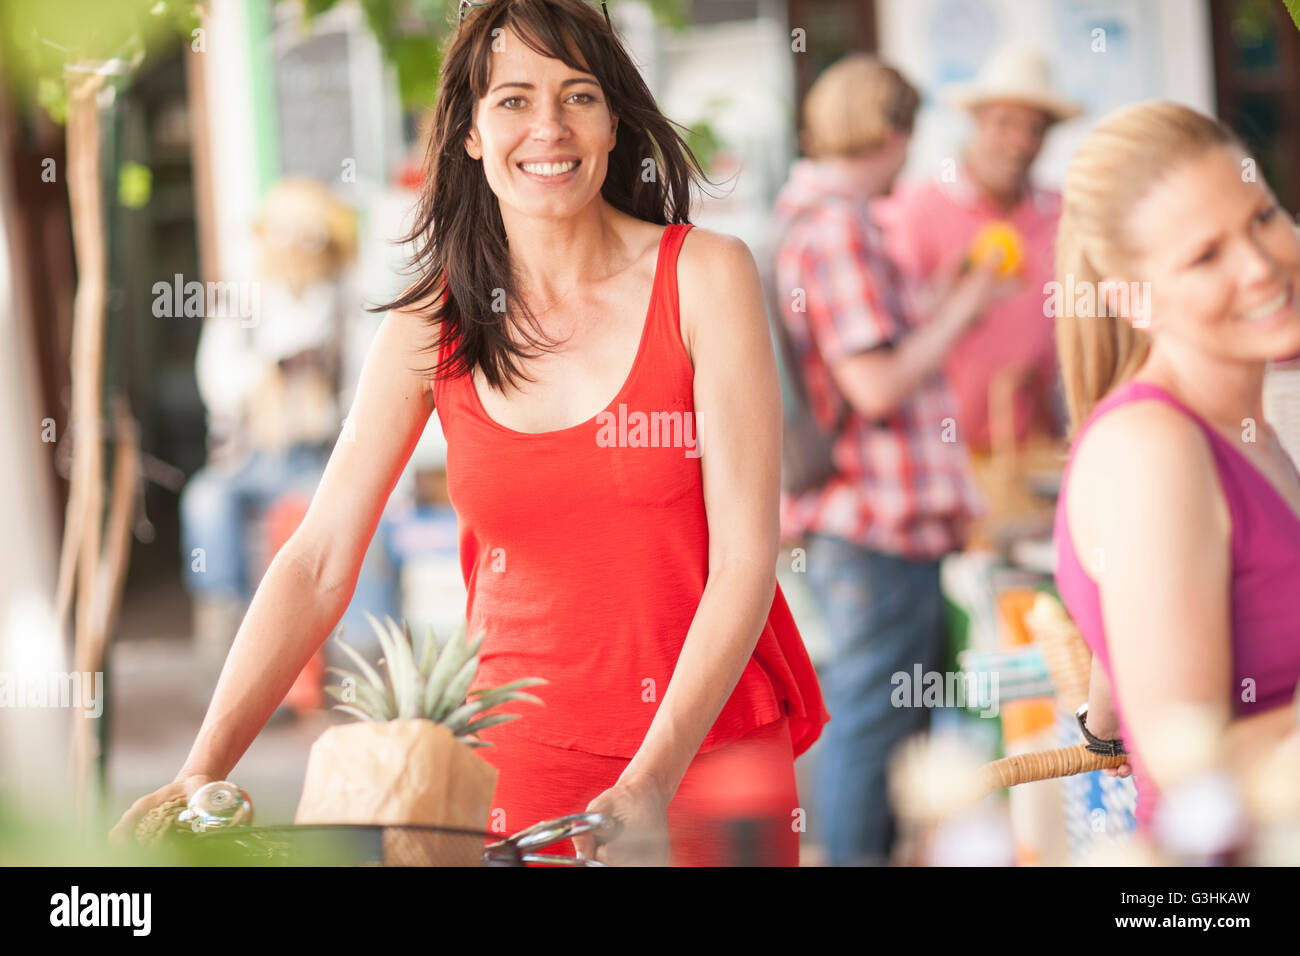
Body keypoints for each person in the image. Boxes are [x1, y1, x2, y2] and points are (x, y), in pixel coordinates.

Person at [112, 0, 828, 866]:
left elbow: (746, 562)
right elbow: (319, 558)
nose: (549, 128)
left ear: (612, 125)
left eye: (579, 97)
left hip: (705, 762)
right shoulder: (431, 326)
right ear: (471, 134)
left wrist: (650, 778)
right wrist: (201, 767)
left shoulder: (706, 277)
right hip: (514, 772)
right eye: (514, 100)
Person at [770, 54, 1011, 865]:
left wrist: (939, 300)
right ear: (893, 129)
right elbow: (873, 384)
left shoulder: (826, 219)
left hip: (868, 520)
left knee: (884, 719)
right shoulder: (840, 226)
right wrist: (968, 310)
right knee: (876, 724)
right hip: (871, 520)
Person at [1053, 100, 1300, 833]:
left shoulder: (1240, 425)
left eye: (1262, 218)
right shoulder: (1152, 451)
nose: (1259, 266)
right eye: (1205, 256)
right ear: (1133, 301)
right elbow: (1193, 774)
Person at [876, 47, 1082, 453]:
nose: (1019, 143)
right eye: (1004, 123)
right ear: (975, 121)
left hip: (1037, 450)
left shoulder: (1062, 215)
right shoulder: (916, 211)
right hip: (944, 453)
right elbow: (889, 337)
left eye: (1035, 130)